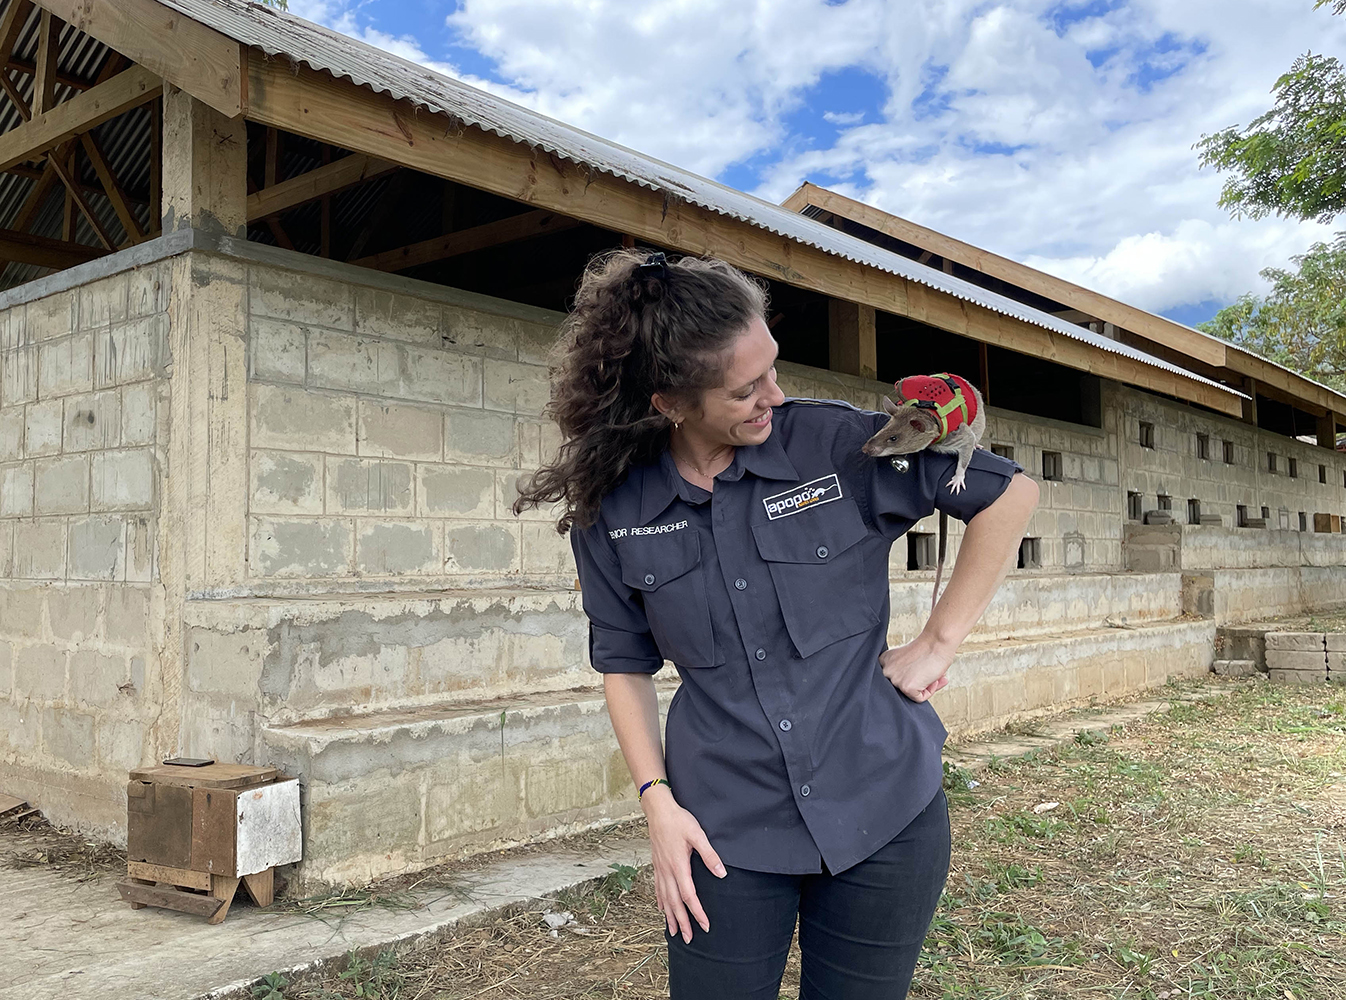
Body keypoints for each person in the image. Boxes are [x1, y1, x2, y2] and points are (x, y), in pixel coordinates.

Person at [515, 249, 1039, 1000]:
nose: (775, 394)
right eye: (745, 389)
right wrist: (656, 802)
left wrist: (937, 641)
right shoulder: (614, 510)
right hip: (723, 830)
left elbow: (1009, 494)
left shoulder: (835, 447)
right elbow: (623, 663)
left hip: (884, 809)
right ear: (668, 402)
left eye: (772, 369)